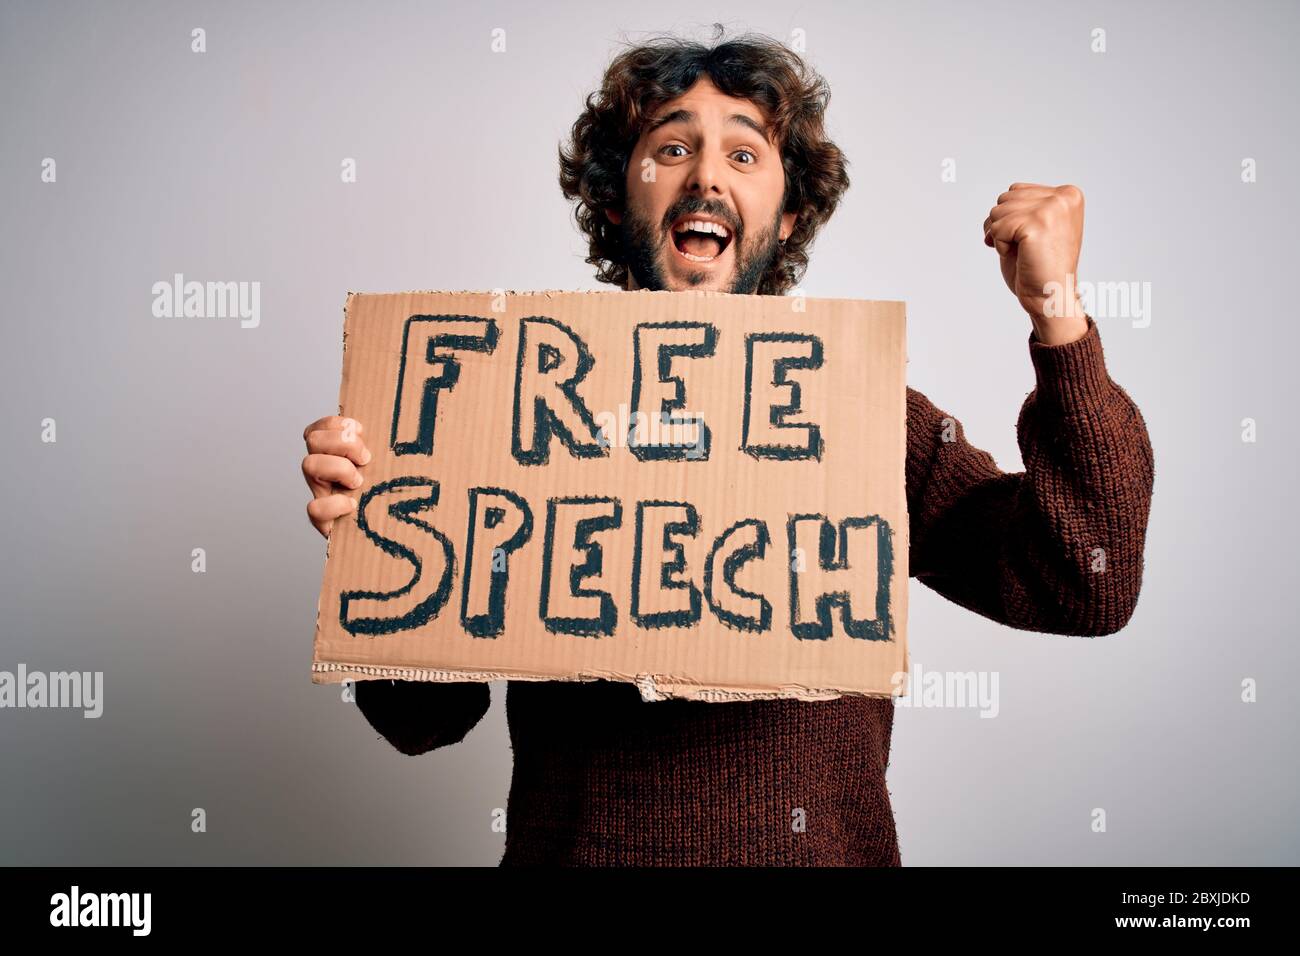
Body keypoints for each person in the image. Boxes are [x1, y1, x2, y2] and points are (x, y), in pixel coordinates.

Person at [299, 32, 1154, 865]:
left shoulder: (862, 420)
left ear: (785, 221)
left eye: (744, 156)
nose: (706, 174)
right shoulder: (513, 407)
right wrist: (376, 540)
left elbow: (1088, 583)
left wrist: (1060, 318)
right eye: (671, 148)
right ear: (612, 201)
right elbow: (420, 723)